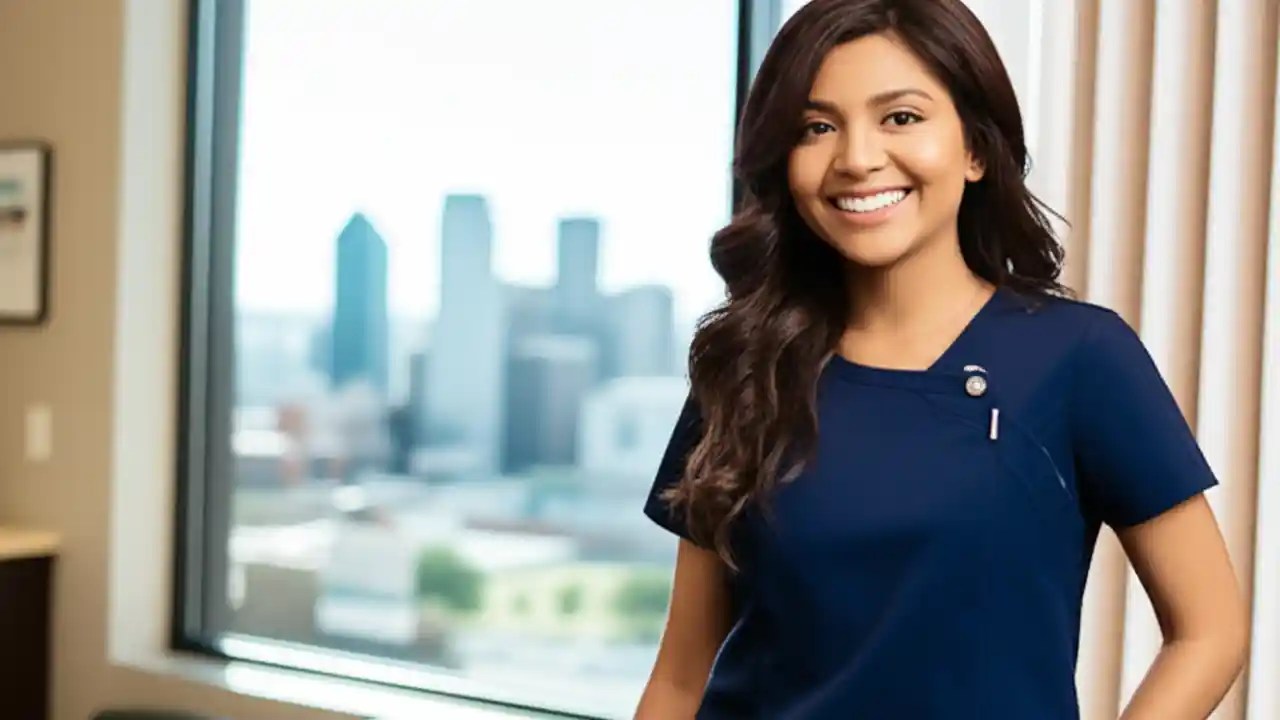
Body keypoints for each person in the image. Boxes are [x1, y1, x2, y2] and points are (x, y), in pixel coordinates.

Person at [634, 0, 1248, 717]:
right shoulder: (744, 366)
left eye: (901, 117)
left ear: (976, 150)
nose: (857, 158)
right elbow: (679, 678)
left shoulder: (1081, 356)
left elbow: (1210, 632)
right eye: (817, 127)